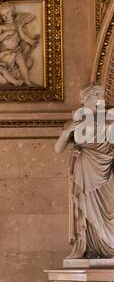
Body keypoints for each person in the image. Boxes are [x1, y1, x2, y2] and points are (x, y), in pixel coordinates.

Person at [55, 85, 114, 259]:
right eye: (95, 94)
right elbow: (58, 148)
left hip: (107, 167)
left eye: (101, 95)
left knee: (109, 207)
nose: (99, 98)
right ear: (84, 98)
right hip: (86, 168)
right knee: (87, 208)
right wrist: (67, 131)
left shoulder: (109, 120)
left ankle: (109, 246)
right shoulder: (76, 122)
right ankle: (92, 246)